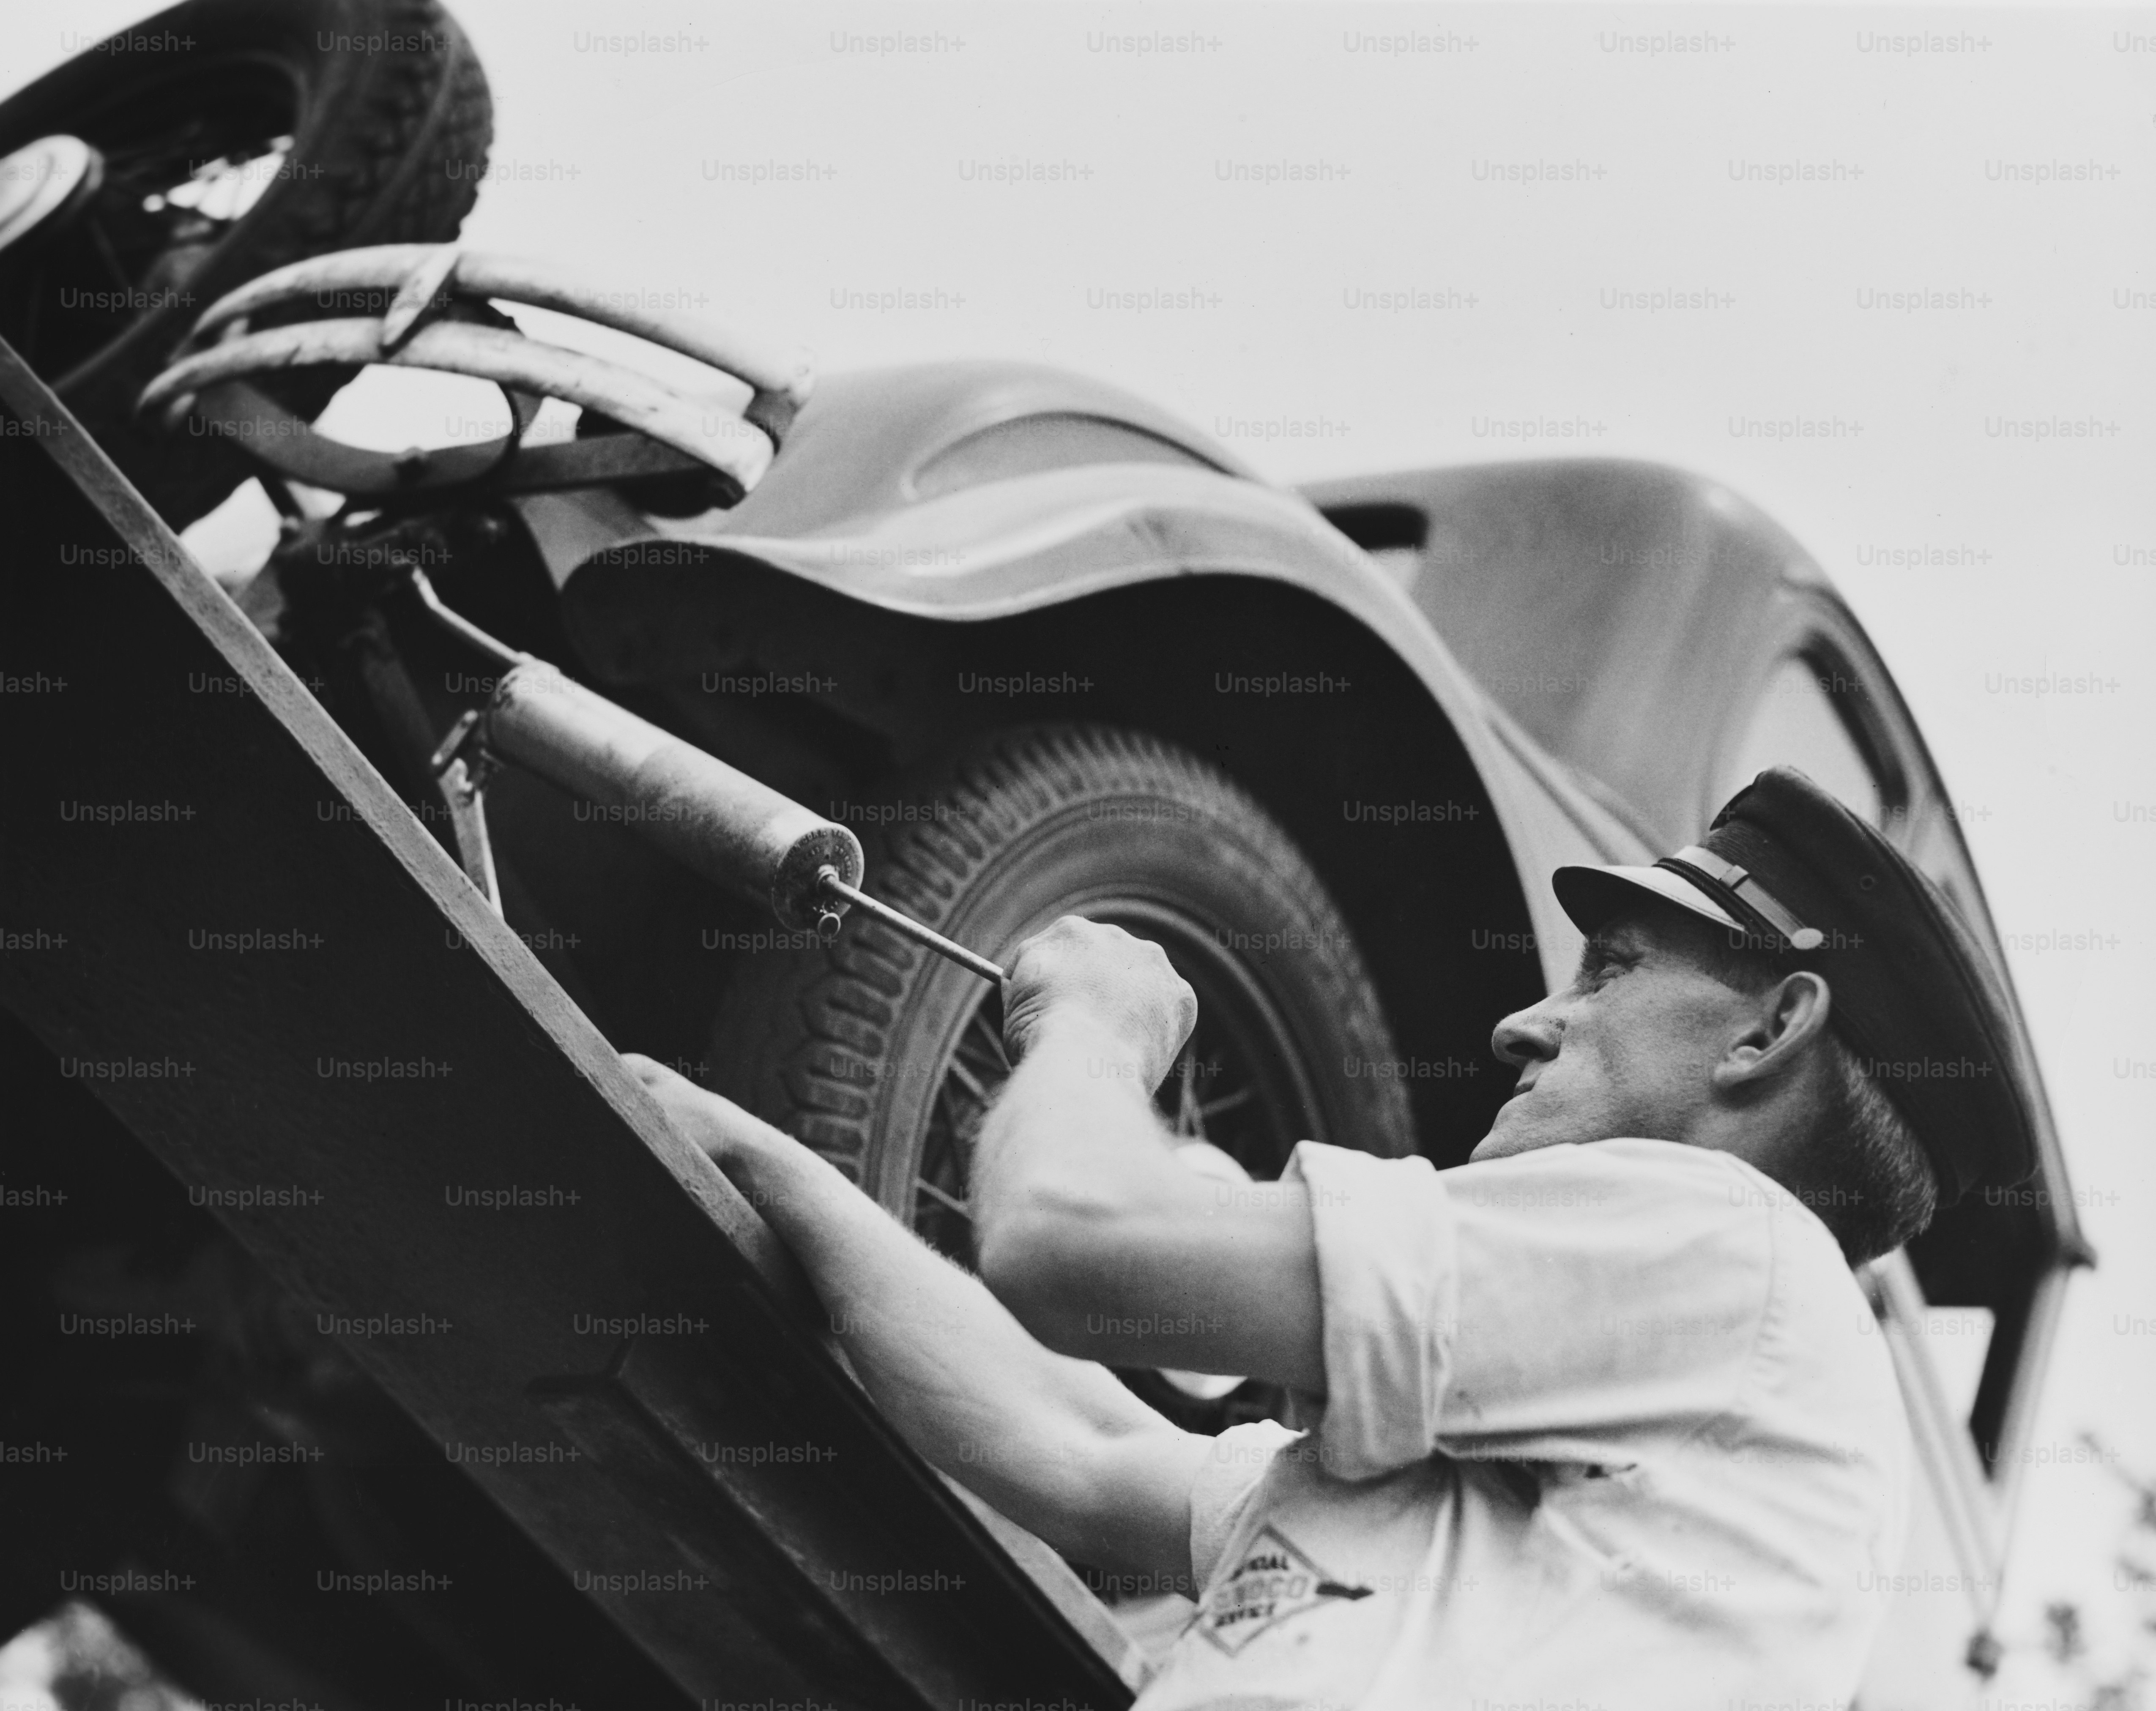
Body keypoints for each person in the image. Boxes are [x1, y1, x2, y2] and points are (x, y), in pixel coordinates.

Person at [627, 765, 2038, 1710]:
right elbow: (1082, 1448)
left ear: (1770, 1030)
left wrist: (1097, 1028)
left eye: (1609, 973)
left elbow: (1070, 1244)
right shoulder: (1554, 1468)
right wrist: (767, 1163)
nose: (1524, 1024)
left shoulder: (1734, 1248)